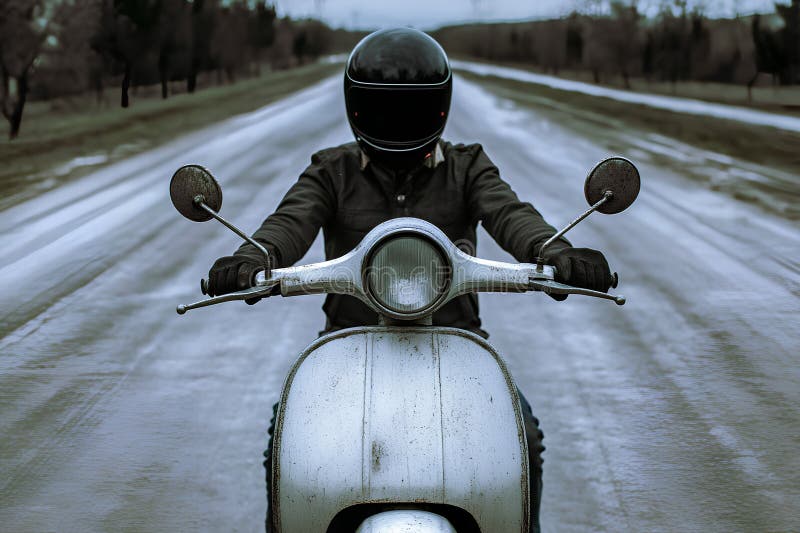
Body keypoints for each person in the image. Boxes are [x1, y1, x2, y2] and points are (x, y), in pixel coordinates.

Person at [206, 28, 615, 533]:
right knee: (285, 444)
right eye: (385, 109)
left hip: (455, 342)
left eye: (411, 108)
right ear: (358, 107)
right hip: (349, 344)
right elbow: (290, 222)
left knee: (523, 440)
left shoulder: (467, 167)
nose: (398, 121)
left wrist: (555, 252)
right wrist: (254, 257)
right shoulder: (332, 171)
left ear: (437, 107)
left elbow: (511, 214)